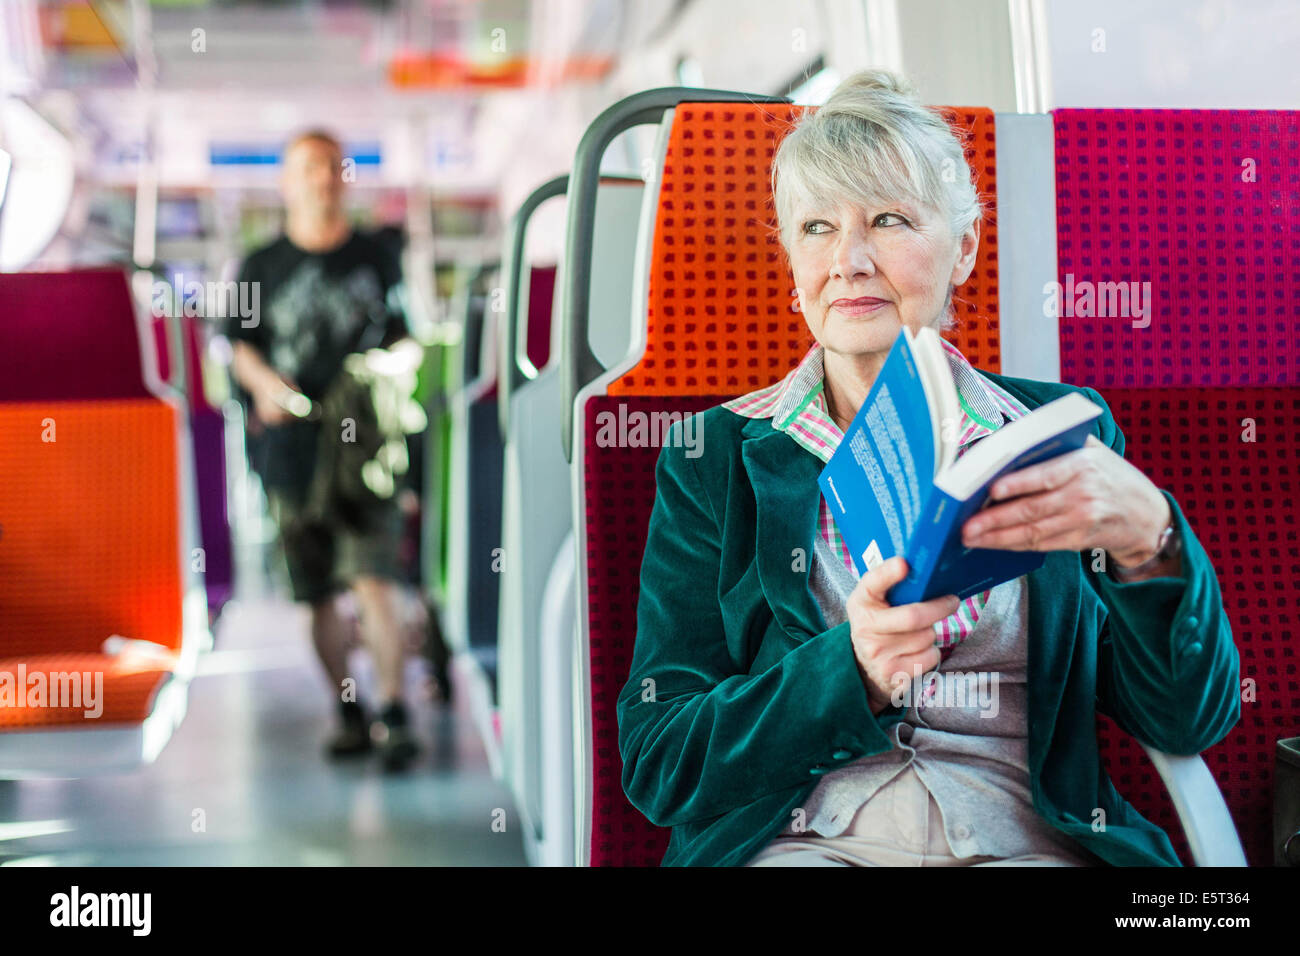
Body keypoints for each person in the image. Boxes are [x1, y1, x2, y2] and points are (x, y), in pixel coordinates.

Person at [616, 71, 1241, 866]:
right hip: (805, 844)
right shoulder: (715, 458)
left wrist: (1152, 542)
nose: (849, 261)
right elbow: (661, 759)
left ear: (964, 249)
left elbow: (1187, 720)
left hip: (1026, 843)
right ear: (793, 263)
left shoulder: (1058, 431)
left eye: (888, 220)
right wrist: (852, 671)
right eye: (817, 227)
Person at [224, 128, 419, 771]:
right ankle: (349, 708)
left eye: (333, 167)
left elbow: (407, 341)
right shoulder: (260, 266)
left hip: (364, 449)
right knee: (317, 595)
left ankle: (394, 711)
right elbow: (241, 347)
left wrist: (378, 373)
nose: (323, 179)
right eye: (308, 168)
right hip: (292, 451)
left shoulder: (378, 257)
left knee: (374, 578)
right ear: (286, 183)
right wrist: (264, 386)